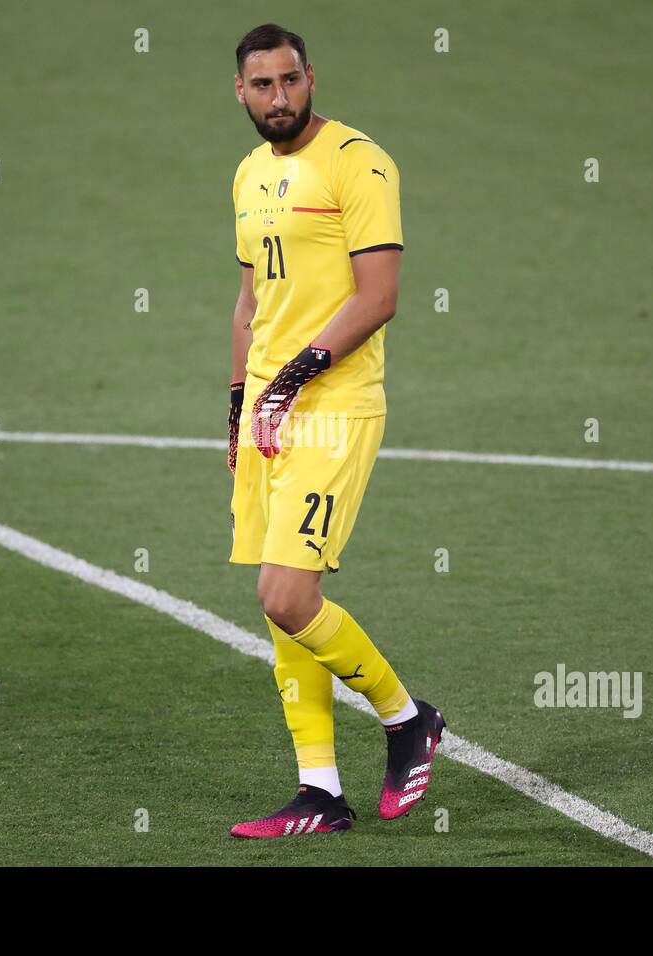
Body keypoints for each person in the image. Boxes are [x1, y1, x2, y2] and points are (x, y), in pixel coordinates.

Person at [226, 23, 446, 838]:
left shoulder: (359, 162)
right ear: (240, 92)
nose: (278, 98)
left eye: (290, 81)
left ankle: (403, 717)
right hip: (271, 409)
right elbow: (252, 302)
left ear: (312, 78)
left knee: (284, 593)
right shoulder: (249, 174)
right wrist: (239, 401)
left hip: (333, 403)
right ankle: (318, 791)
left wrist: (287, 384)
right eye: (262, 86)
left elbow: (378, 295)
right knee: (285, 603)